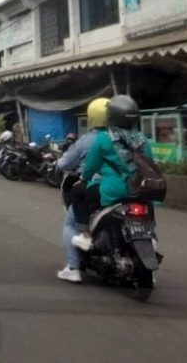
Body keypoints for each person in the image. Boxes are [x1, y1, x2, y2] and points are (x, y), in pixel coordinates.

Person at [69, 95, 153, 252]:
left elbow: (91, 166)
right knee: (147, 206)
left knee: (77, 192)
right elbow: (150, 164)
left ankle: (85, 236)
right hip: (140, 190)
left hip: (114, 191)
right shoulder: (142, 139)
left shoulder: (104, 138)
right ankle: (151, 236)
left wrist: (83, 179)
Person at [54, 97, 109, 283]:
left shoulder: (87, 141)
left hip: (94, 189)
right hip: (124, 190)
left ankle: (73, 267)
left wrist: (59, 163)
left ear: (92, 118)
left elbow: (67, 163)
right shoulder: (124, 138)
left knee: (70, 223)